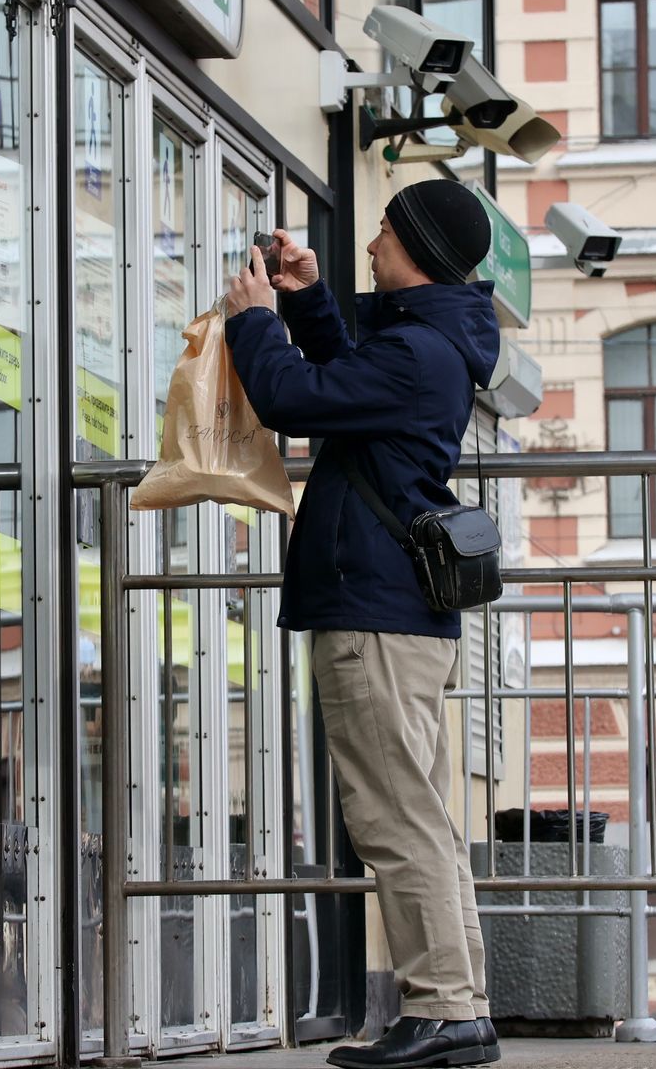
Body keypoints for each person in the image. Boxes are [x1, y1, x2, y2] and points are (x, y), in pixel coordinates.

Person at [224, 179, 501, 1069]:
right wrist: (306, 298)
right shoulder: (428, 341)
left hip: (374, 610)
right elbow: (346, 383)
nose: (370, 245)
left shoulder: (418, 352)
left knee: (393, 819)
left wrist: (258, 319)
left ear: (414, 246)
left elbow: (294, 400)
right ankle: (461, 1004)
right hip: (398, 611)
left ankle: (443, 1008)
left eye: (382, 232)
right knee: (421, 815)